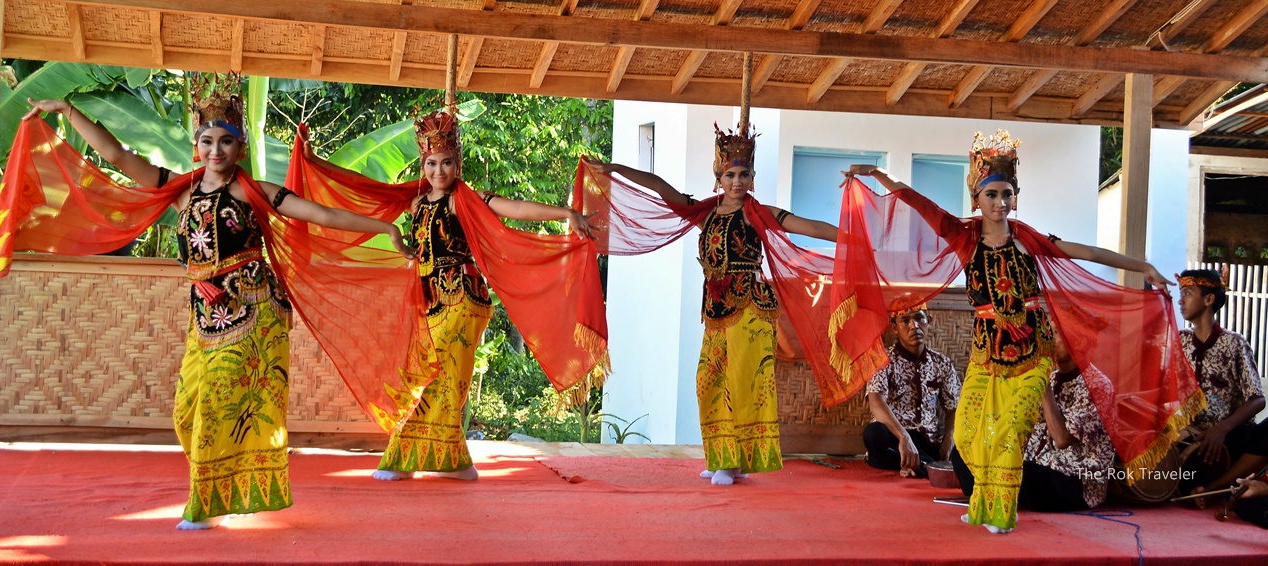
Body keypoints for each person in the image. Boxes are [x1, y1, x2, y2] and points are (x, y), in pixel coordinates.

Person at [22, 75, 417, 530]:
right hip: (204, 318)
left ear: (240, 147)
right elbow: (119, 156)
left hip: (253, 313)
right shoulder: (181, 192)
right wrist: (67, 112)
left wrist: (385, 229)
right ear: (196, 145)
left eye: (226, 141)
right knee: (186, 411)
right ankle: (227, 484)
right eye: (207, 140)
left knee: (216, 406)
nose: (216, 150)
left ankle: (206, 505)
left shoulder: (257, 193)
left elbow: (323, 215)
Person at [846, 129, 1178, 533]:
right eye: (992, 195)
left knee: (1008, 434)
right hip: (987, 356)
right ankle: (983, 503)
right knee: (968, 435)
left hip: (1030, 356)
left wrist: (1141, 267)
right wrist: (879, 175)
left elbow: (1086, 251)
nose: (1001, 203)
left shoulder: (1027, 240)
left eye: (1007, 194)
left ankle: (1002, 514)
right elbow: (919, 203)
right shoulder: (964, 238)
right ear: (977, 200)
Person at [294, 108, 595, 483]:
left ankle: (422, 458)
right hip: (429, 302)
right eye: (431, 163)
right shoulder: (417, 201)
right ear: (423, 165)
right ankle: (445, 458)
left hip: (461, 300)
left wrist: (565, 213)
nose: (439, 171)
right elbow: (363, 187)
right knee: (421, 377)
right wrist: (315, 161)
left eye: (447, 163)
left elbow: (514, 208)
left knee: (441, 380)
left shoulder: (464, 199)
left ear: (458, 163)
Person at [585, 123, 840, 485]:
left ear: (752, 178)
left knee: (742, 385)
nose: (737, 181)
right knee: (709, 381)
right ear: (718, 178)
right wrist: (616, 171)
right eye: (730, 174)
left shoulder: (758, 213)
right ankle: (723, 456)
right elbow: (661, 188)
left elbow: (806, 227)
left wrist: (850, 237)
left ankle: (734, 463)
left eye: (744, 174)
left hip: (751, 309)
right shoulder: (705, 214)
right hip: (716, 313)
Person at [951, 331, 1115, 512]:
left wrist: (1042, 385)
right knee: (962, 454)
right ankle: (999, 493)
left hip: (1074, 482)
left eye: (1055, 333)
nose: (1047, 340)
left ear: (1080, 341)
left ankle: (996, 492)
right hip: (1038, 467)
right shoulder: (1051, 377)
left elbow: (1062, 438)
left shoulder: (1098, 386)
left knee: (1018, 473)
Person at [1176, 268, 1268, 497]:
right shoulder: (1179, 340)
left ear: (1208, 300)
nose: (1180, 300)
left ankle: (1213, 488)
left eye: (1188, 293)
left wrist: (1222, 429)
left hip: (1230, 438)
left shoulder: (1234, 344)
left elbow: (1257, 399)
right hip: (1189, 437)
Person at [863, 297, 959, 478]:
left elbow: (954, 407)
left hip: (929, 442)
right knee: (873, 434)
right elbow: (875, 402)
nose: (914, 326)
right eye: (905, 321)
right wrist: (903, 437)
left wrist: (950, 437)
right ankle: (927, 467)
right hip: (895, 438)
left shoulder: (942, 363)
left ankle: (919, 464)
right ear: (895, 328)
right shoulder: (882, 361)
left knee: (964, 443)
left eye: (919, 318)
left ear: (928, 322)